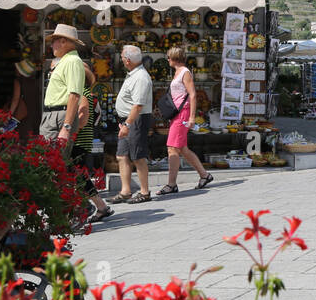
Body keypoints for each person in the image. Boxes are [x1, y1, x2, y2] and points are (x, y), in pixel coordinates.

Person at [49, 53, 113, 221]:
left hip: (79, 141)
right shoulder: (84, 92)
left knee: (75, 175)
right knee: (78, 176)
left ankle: (87, 206)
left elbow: (83, 119)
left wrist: (67, 128)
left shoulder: (83, 93)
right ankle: (100, 206)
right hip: (80, 140)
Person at [159, 45, 213, 195]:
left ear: (174, 58)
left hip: (183, 114)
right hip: (178, 114)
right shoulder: (178, 72)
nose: (167, 59)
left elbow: (193, 94)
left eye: (169, 57)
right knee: (182, 148)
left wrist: (192, 117)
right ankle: (204, 175)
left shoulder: (185, 72)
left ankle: (171, 184)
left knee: (172, 148)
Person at [110, 44, 154, 204]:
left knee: (138, 156)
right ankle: (126, 191)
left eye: (122, 57)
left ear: (127, 60)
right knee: (122, 156)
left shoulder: (141, 77)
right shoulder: (134, 74)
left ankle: (144, 192)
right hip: (128, 120)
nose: (121, 60)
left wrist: (128, 124)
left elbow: (138, 105)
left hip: (135, 120)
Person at [40, 24, 86, 159]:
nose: (51, 45)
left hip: (59, 117)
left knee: (52, 162)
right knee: (49, 162)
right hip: (56, 116)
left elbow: (74, 95)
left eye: (53, 41)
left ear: (63, 41)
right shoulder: (67, 61)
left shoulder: (72, 61)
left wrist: (66, 127)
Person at [9, 59, 42, 142]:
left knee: (21, 139)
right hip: (35, 114)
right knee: (32, 139)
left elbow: (15, 99)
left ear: (20, 71)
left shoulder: (19, 81)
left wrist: (10, 114)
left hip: (23, 115)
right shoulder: (35, 82)